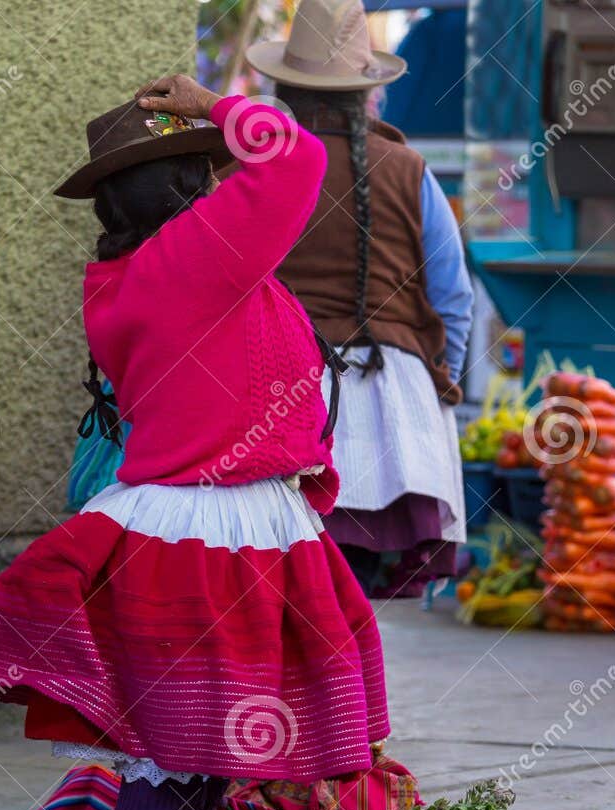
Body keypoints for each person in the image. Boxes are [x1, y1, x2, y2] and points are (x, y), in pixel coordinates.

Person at [0, 74, 388, 810]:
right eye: (194, 167)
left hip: (215, 528)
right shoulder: (192, 262)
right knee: (168, 786)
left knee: (193, 780)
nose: (212, 178)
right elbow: (296, 159)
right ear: (158, 192)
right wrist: (219, 98)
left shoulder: (128, 280)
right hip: (207, 544)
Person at [252, 0, 474, 598]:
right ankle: (352, 693)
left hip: (279, 407)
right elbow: (452, 296)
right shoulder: (408, 168)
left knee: (283, 597)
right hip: (397, 413)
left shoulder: (252, 167)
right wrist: (437, 381)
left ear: (285, 92)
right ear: (366, 94)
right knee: (353, 607)